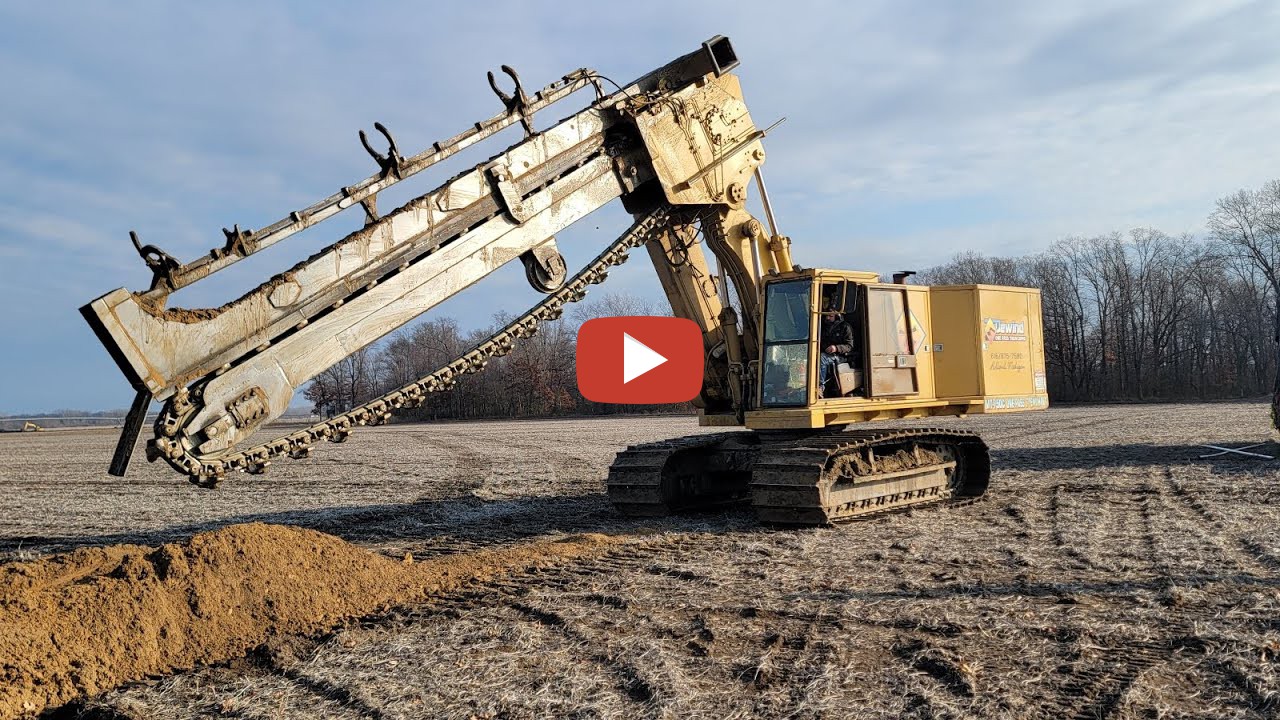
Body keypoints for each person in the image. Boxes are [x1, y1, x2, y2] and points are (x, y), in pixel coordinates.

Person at [818, 302, 855, 398]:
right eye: (826, 316)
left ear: (837, 315)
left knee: (822, 358)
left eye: (830, 316)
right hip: (827, 353)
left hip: (841, 356)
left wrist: (836, 348)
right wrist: (825, 346)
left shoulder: (845, 327)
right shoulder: (824, 327)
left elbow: (849, 346)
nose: (827, 318)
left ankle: (820, 387)